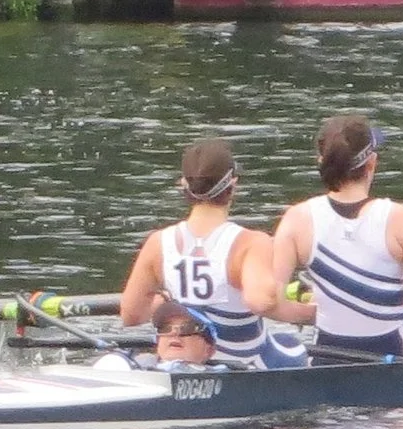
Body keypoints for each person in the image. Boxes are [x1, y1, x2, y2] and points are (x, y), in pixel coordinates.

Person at [267, 114, 403, 358]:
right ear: (372, 163)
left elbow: (269, 303)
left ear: (321, 162)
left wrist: (315, 314)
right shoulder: (398, 219)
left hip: (329, 355)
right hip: (399, 353)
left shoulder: (296, 220)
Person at [120, 138, 311, 369]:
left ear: (184, 184)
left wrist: (168, 301)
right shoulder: (250, 243)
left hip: (184, 359)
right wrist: (313, 314)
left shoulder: (158, 243)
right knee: (292, 345)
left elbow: (131, 315)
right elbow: (262, 302)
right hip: (244, 362)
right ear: (233, 184)